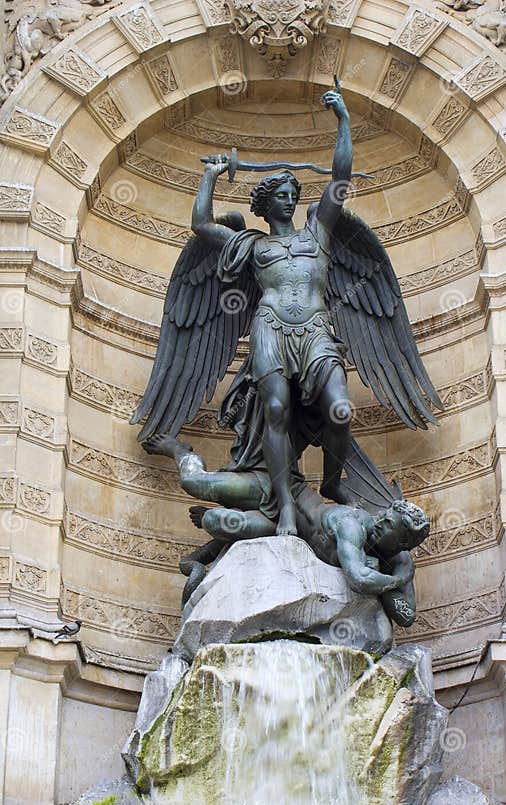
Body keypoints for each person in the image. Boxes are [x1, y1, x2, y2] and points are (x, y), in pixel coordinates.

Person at [191, 85, 353, 537]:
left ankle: (333, 483)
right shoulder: (253, 245)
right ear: (264, 205)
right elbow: (202, 225)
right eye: (279, 193)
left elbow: (341, 176)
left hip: (315, 328)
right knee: (276, 408)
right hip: (270, 327)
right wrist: (211, 176)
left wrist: (343, 120)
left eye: (291, 192)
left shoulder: (317, 232)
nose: (288, 198)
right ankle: (283, 507)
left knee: (340, 410)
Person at [144, 434, 430, 628]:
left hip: (278, 531)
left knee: (215, 522)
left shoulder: (399, 560)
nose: (379, 521)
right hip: (277, 492)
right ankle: (182, 452)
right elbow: (358, 576)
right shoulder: (352, 524)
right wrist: (395, 580)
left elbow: (406, 617)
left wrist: (393, 577)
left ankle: (213, 541)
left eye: (388, 524)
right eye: (384, 516)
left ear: (403, 541)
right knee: (194, 482)